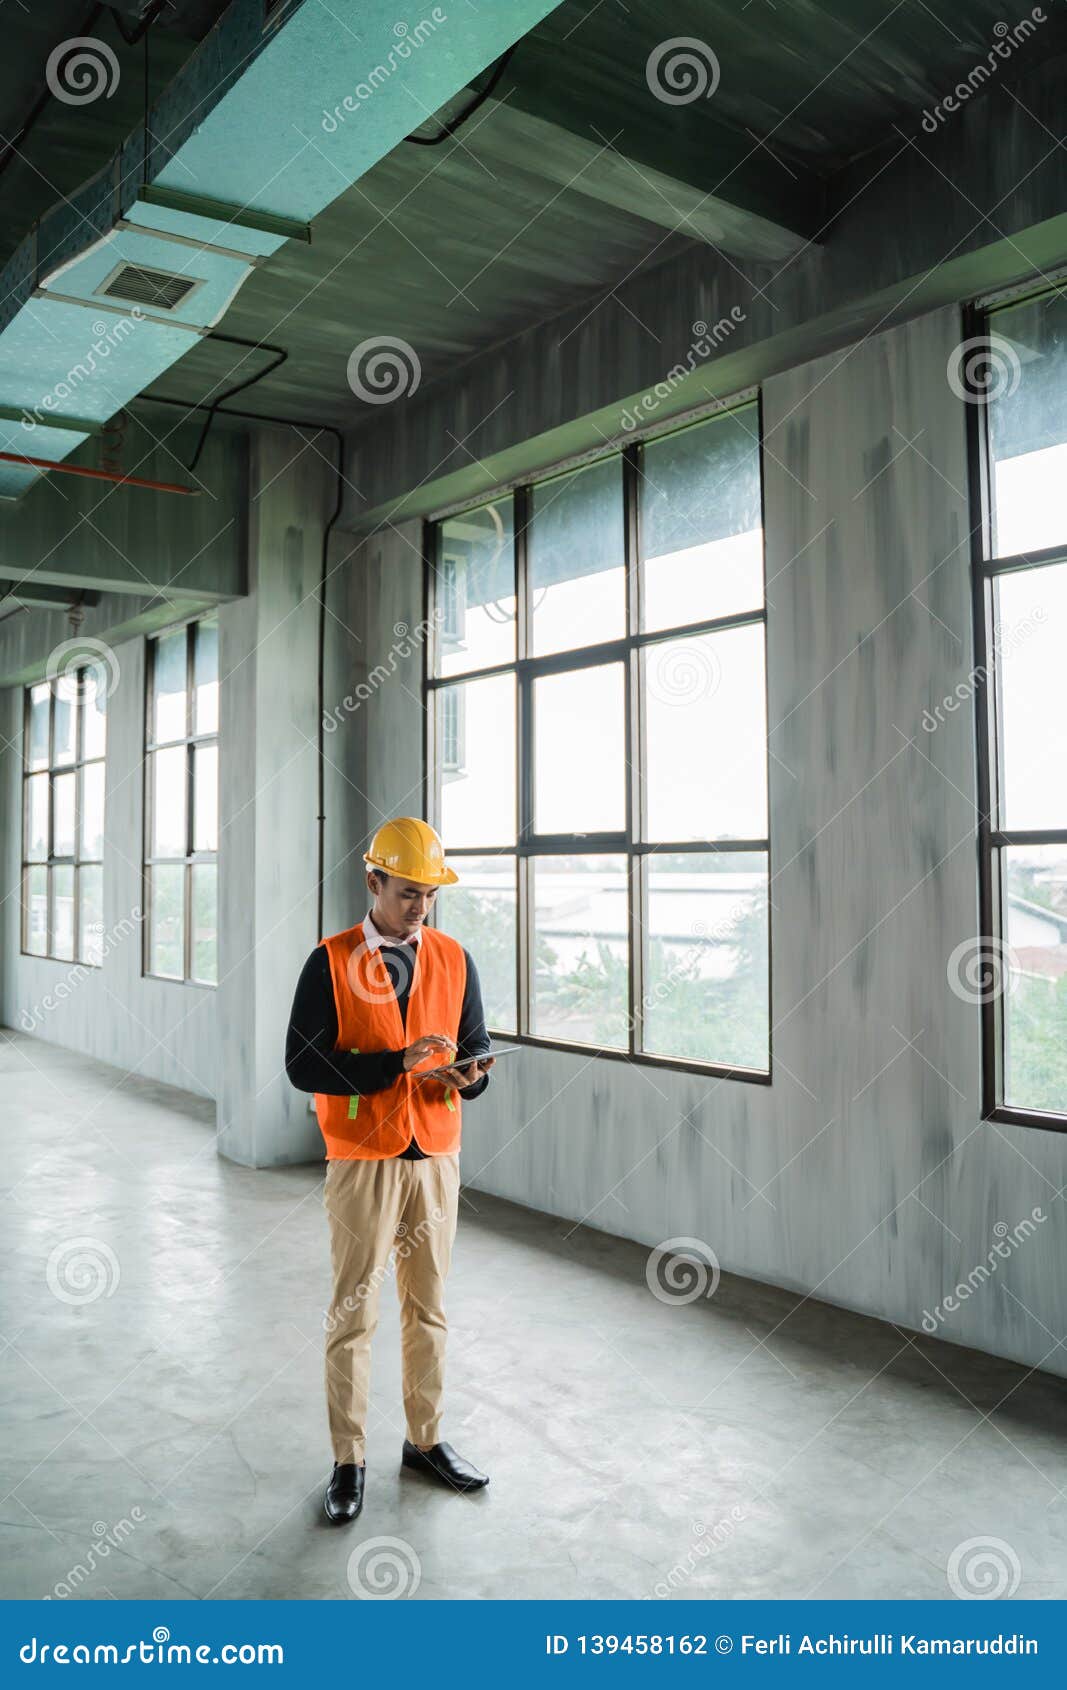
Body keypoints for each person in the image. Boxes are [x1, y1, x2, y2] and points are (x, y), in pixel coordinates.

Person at [285, 817, 495, 1524]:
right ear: (372, 882)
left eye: (429, 894)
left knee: (428, 1310)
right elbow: (302, 1065)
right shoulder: (330, 960)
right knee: (353, 1317)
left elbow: (475, 1052)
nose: (419, 907)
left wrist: (471, 1077)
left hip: (435, 1155)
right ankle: (348, 1460)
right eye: (407, 892)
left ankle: (426, 1442)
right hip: (362, 1161)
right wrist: (388, 1067)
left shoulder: (454, 958)